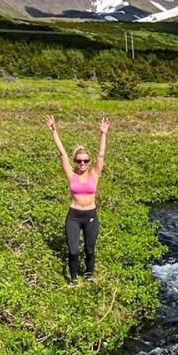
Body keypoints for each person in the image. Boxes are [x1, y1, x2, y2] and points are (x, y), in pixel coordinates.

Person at [45, 114, 110, 282]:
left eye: (86, 161)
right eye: (79, 161)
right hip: (73, 216)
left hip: (90, 216)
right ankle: (73, 279)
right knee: (73, 250)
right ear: (75, 161)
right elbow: (62, 153)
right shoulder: (71, 175)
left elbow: (101, 155)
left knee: (89, 249)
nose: (83, 163)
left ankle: (89, 275)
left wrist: (103, 133)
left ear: (89, 162)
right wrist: (54, 131)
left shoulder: (94, 174)